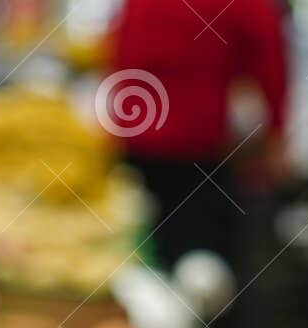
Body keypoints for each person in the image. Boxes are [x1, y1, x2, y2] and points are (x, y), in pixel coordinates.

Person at [107, 0, 290, 269]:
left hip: (140, 147)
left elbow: (120, 55)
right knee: (202, 267)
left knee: (144, 255)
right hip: (206, 153)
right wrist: (276, 135)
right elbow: (270, 66)